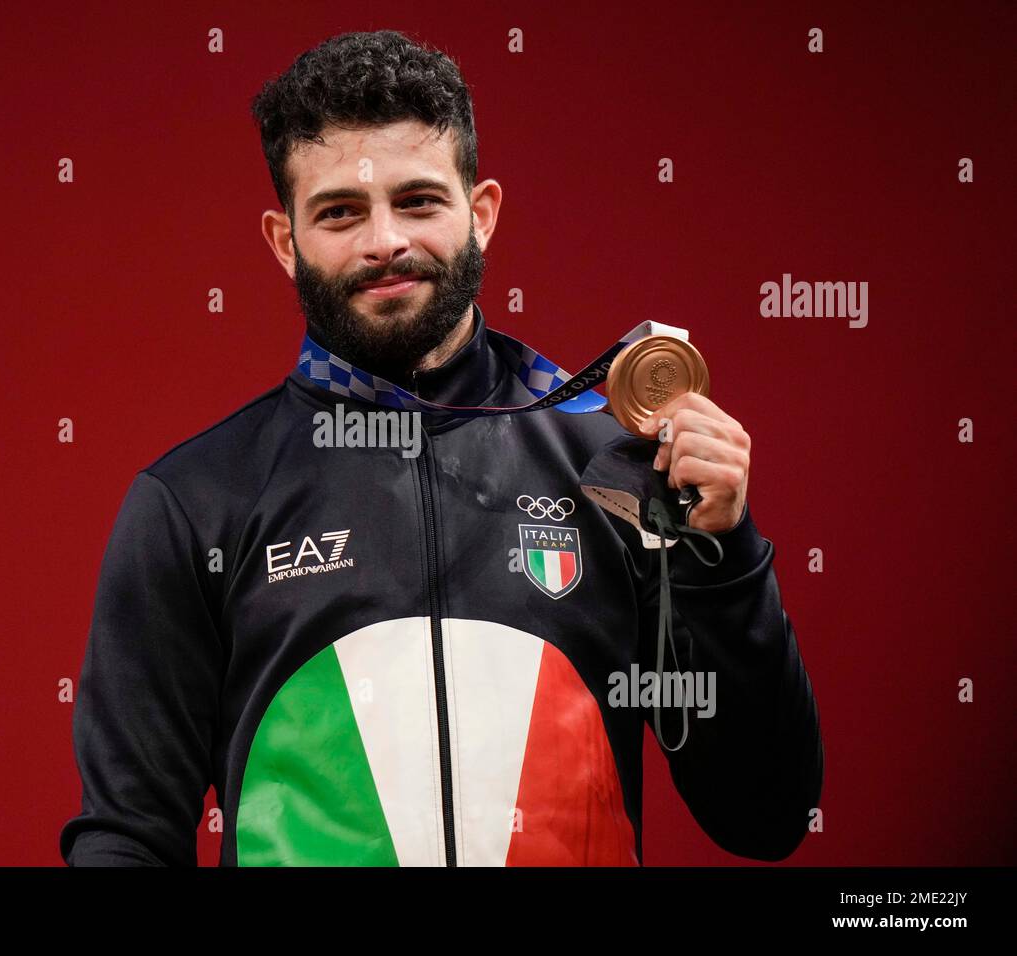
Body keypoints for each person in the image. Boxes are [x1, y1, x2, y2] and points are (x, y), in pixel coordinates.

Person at [58, 29, 823, 866]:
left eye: (419, 201)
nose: (385, 241)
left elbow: (766, 814)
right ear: (285, 243)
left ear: (481, 213)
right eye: (341, 212)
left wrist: (726, 554)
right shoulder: (197, 503)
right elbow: (128, 840)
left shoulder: (617, 474)